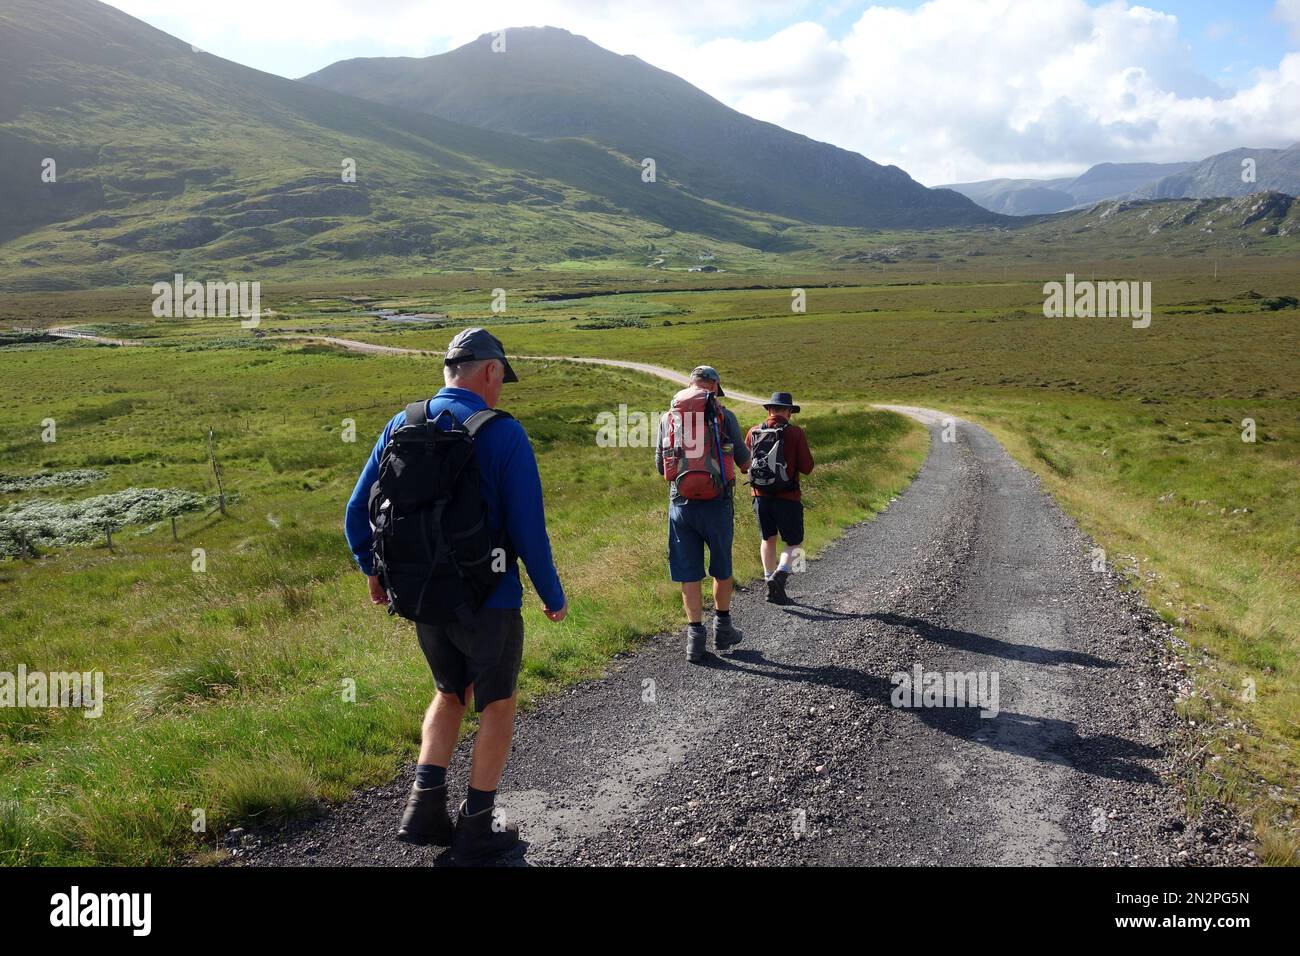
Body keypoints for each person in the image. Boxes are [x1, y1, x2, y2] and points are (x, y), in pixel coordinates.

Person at [344, 327, 567, 864]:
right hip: (489, 599)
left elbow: (356, 512)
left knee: (449, 692)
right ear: (490, 372)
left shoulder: (402, 423)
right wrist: (552, 593)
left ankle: (422, 811)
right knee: (497, 704)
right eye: (502, 380)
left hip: (424, 597)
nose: (501, 390)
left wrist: (372, 569)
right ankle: (475, 830)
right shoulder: (503, 432)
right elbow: (527, 528)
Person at [655, 365, 751, 663]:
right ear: (715, 388)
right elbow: (744, 462)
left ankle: (695, 640)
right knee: (721, 566)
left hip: (680, 505)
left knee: (689, 572)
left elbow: (662, 468)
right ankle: (723, 627)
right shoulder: (725, 416)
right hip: (717, 504)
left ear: (690, 387)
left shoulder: (668, 418)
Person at [745, 392, 814, 605]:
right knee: (794, 542)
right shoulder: (795, 433)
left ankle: (768, 579)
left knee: (768, 539)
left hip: (760, 496)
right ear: (788, 412)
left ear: (769, 410)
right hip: (788, 497)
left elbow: (745, 465)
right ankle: (780, 575)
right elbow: (807, 467)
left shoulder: (753, 432)